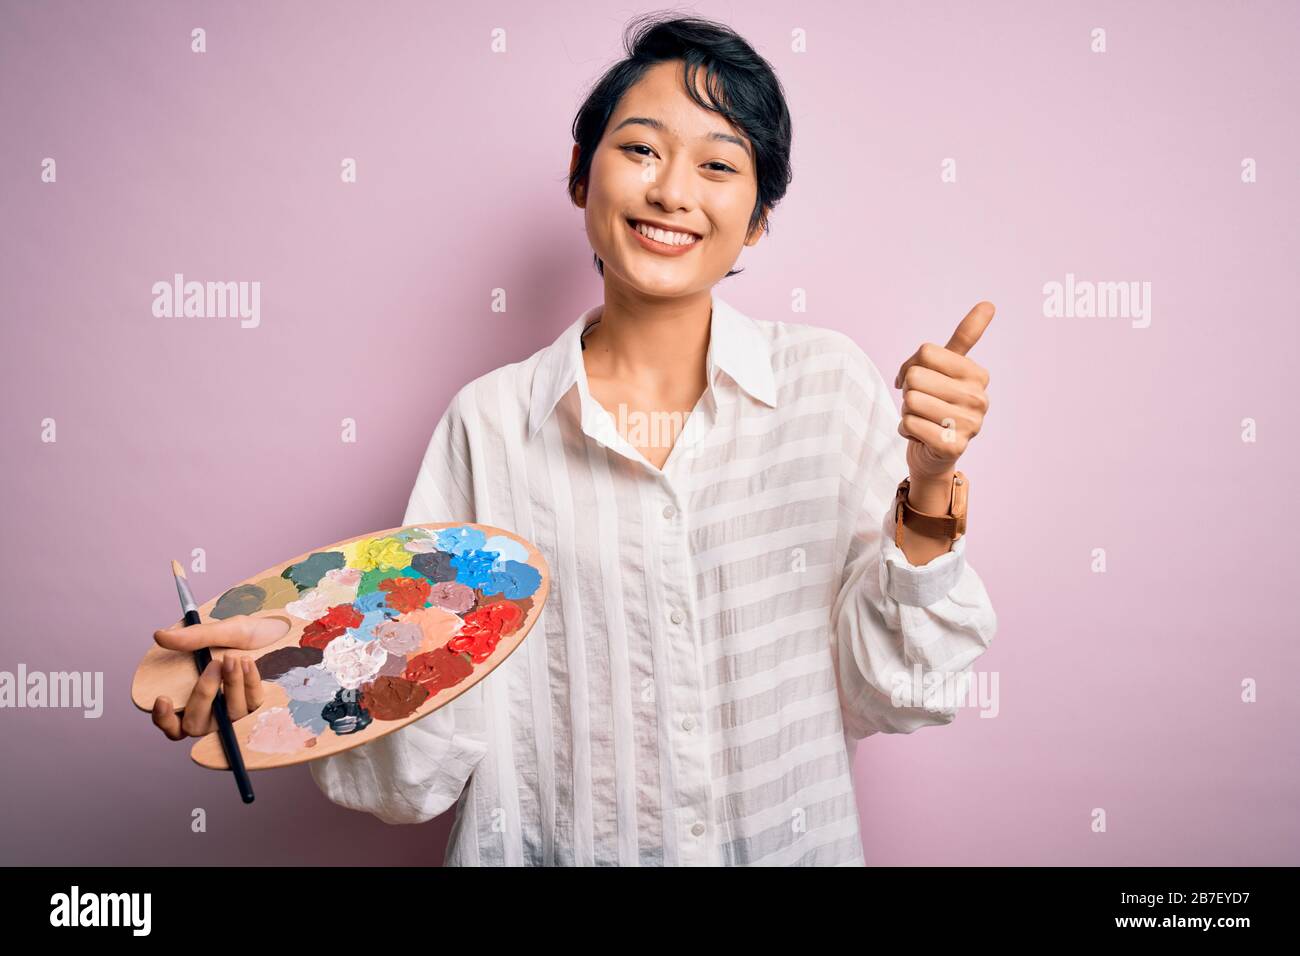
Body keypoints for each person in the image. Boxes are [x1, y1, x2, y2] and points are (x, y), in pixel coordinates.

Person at [149, 12, 998, 866]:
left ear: (759, 219)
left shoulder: (829, 388)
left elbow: (903, 691)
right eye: (640, 150)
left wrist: (928, 488)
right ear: (578, 176)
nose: (671, 190)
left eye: (717, 164)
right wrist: (303, 676)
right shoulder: (488, 425)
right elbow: (420, 770)